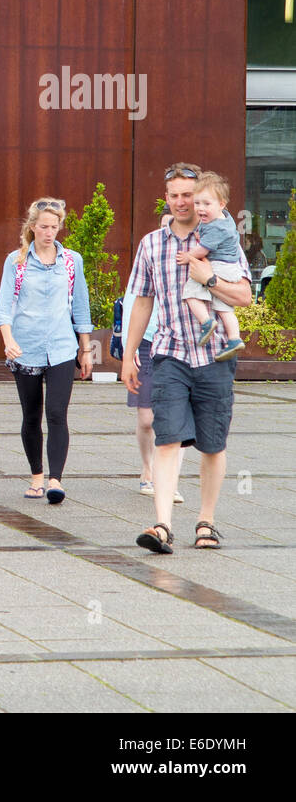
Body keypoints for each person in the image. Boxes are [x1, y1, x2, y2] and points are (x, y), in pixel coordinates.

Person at [123, 163, 252, 555]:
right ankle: (162, 524)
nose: (182, 202)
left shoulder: (221, 237)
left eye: (188, 195)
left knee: (212, 445)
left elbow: (245, 297)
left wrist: (209, 278)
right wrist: (129, 356)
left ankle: (206, 522)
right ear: (166, 198)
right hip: (169, 354)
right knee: (167, 439)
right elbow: (143, 302)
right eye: (175, 195)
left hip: (215, 357)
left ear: (201, 200)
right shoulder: (151, 244)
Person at [0, 197, 93, 504]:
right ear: (32, 227)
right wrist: (8, 340)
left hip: (62, 347)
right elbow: (3, 306)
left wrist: (86, 350)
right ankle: (36, 476)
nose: (50, 232)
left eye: (55, 226)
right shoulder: (16, 261)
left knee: (57, 414)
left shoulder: (72, 261)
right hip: (25, 348)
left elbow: (80, 307)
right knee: (32, 415)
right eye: (44, 227)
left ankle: (55, 480)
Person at [122, 214, 185, 504]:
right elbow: (133, 303)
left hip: (177, 344)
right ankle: (147, 468)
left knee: (175, 416)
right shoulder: (149, 254)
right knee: (147, 419)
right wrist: (128, 350)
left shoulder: (188, 263)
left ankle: (168, 479)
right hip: (147, 342)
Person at [181, 172, 245, 361]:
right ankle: (234, 339)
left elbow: (202, 250)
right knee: (224, 307)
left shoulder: (217, 227)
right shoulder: (225, 219)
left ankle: (206, 321)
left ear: (222, 204)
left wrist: (187, 256)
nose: (201, 208)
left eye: (207, 204)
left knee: (190, 292)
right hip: (231, 268)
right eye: (197, 203)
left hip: (219, 266)